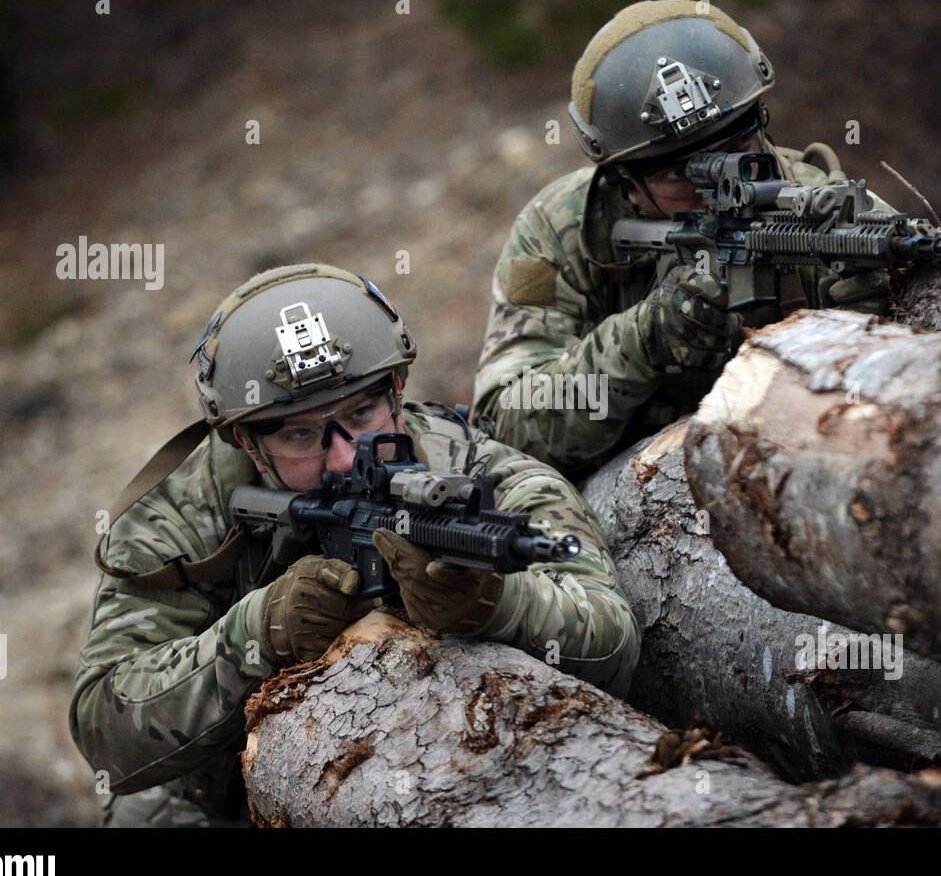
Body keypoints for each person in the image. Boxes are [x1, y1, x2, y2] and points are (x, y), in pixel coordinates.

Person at [70, 263, 640, 826]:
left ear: (396, 390)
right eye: (300, 434)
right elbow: (104, 729)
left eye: (360, 414)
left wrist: (500, 603)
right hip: (228, 795)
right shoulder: (179, 517)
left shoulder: (472, 472)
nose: (343, 456)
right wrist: (255, 634)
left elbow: (616, 643)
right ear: (246, 439)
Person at [472, 0, 894, 479]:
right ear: (625, 183)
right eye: (682, 173)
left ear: (761, 121)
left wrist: (879, 329)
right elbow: (502, 427)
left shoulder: (826, 214)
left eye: (738, 148)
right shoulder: (564, 230)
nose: (719, 184)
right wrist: (641, 342)